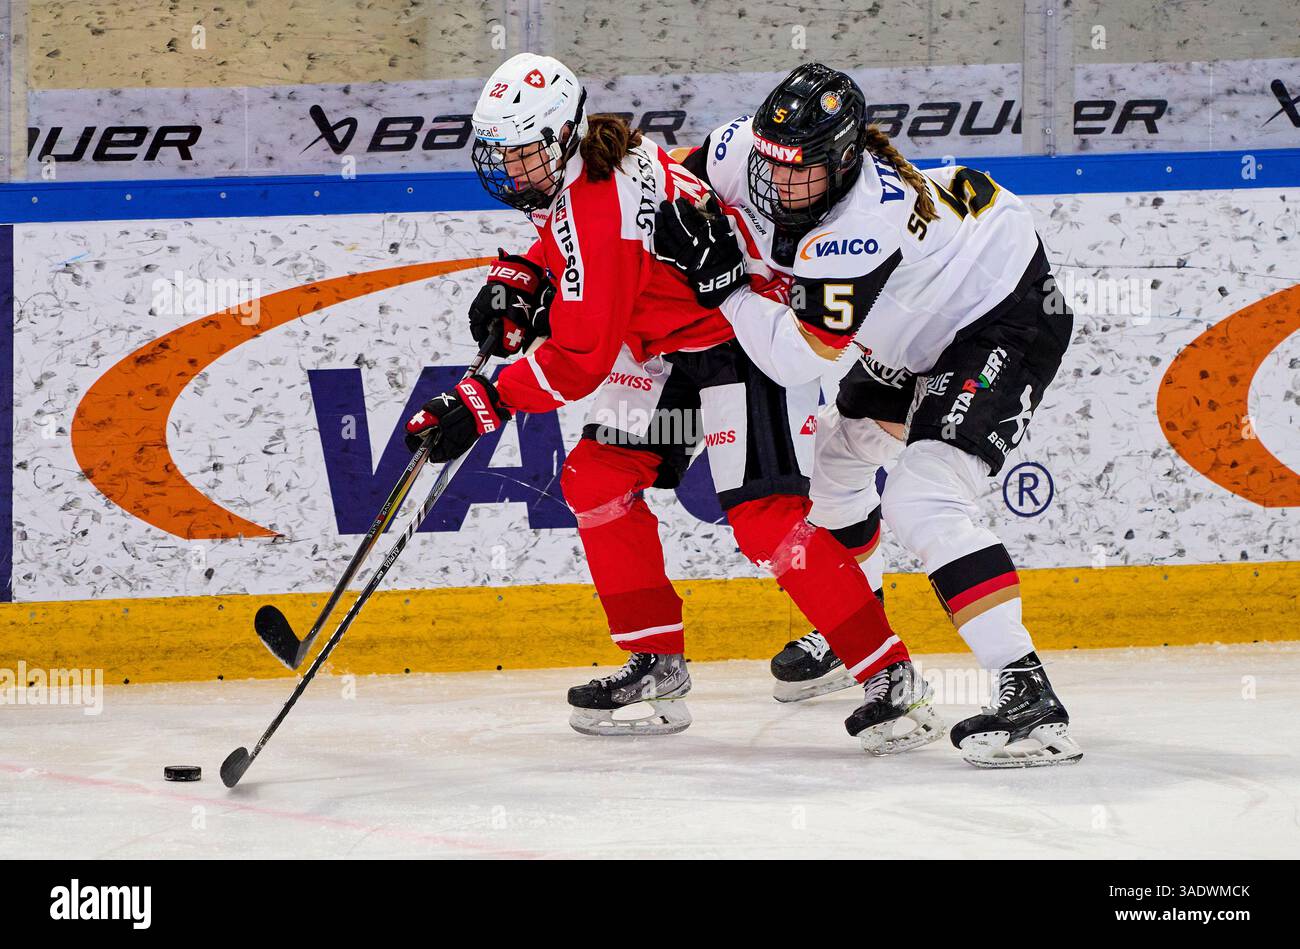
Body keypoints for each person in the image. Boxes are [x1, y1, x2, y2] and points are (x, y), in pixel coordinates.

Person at [402, 52, 942, 753]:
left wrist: (482, 399)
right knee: (595, 477)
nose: (508, 169)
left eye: (524, 152)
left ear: (562, 135)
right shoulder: (591, 161)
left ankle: (890, 674)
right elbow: (566, 247)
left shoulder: (600, 208)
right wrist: (525, 277)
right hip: (666, 342)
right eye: (497, 151)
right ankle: (655, 662)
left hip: (737, 335)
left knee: (766, 521)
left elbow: (577, 360)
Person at [655, 62, 1082, 767]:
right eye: (771, 163)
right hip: (918, 319)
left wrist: (723, 288)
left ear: (846, 159)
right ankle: (855, 625)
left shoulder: (861, 227)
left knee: (925, 494)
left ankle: (1030, 697)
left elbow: (797, 360)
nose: (777, 185)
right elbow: (665, 181)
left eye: (802, 172)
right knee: (835, 468)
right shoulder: (748, 150)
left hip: (1000, 314)